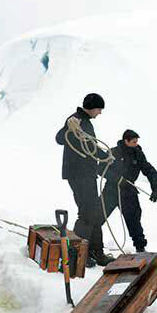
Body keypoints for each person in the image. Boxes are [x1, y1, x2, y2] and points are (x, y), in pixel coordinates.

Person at [55, 93, 114, 267]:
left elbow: (90, 145)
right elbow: (60, 139)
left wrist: (106, 158)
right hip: (78, 174)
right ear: (92, 106)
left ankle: (96, 251)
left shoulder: (85, 122)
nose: (100, 113)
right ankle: (76, 254)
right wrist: (68, 128)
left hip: (86, 173)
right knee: (87, 213)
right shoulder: (75, 120)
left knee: (93, 213)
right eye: (99, 109)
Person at [101, 129, 157, 252]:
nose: (136, 144)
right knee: (97, 217)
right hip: (111, 190)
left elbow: (149, 170)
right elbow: (101, 169)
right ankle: (89, 246)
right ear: (126, 141)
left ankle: (140, 248)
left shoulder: (137, 153)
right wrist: (117, 179)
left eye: (137, 141)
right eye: (134, 141)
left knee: (134, 220)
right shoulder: (113, 152)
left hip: (128, 191)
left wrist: (155, 189)